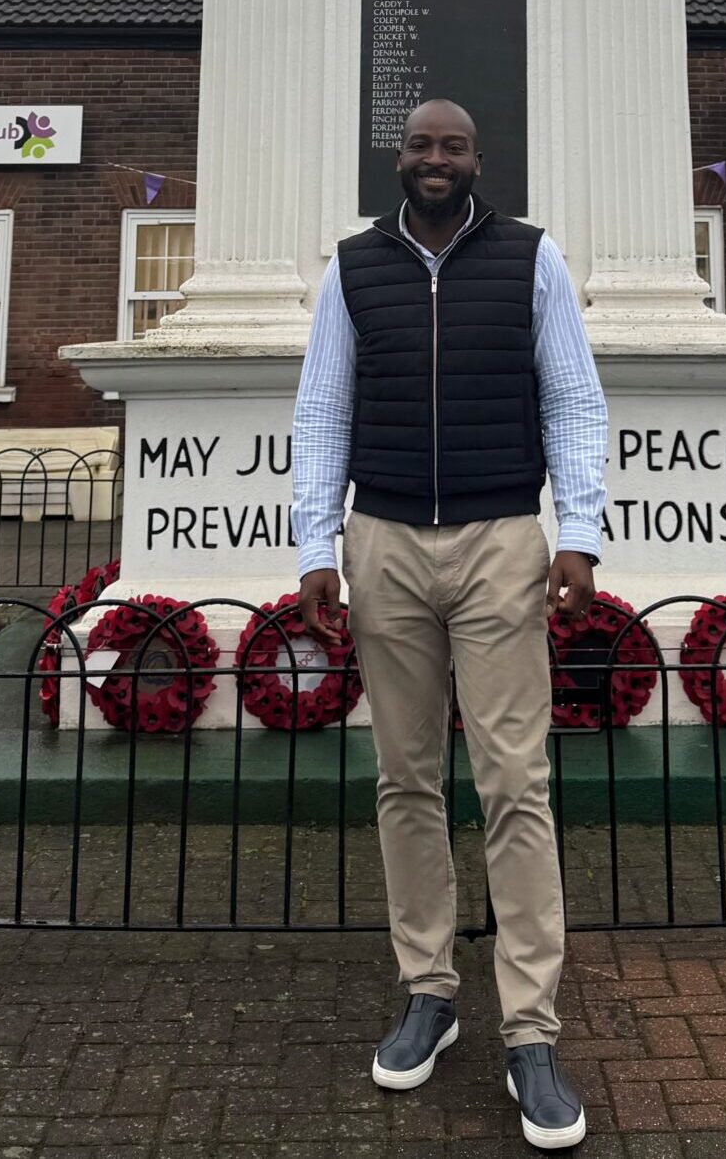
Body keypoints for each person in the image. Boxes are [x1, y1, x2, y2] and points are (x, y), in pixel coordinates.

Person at [293, 98, 607, 1151]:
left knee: (515, 780)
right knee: (405, 777)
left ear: (479, 160)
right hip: (381, 538)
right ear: (401, 156)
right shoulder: (352, 266)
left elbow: (573, 397)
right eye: (423, 144)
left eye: (455, 146)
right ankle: (429, 988)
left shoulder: (531, 257)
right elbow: (322, 409)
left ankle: (531, 1029)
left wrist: (582, 532)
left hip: (499, 540)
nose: (438, 159)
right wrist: (313, 546)